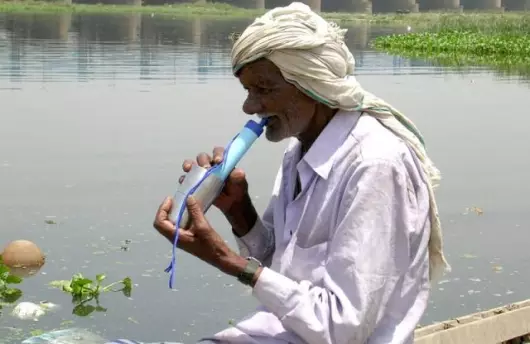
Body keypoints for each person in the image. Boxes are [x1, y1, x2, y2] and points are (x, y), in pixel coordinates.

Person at [108, 2, 450, 344]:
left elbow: (341, 327)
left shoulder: (375, 166)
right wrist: (240, 212)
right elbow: (283, 268)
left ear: (312, 85)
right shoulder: (300, 149)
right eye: (248, 90)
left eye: (265, 89)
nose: (249, 107)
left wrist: (229, 261)